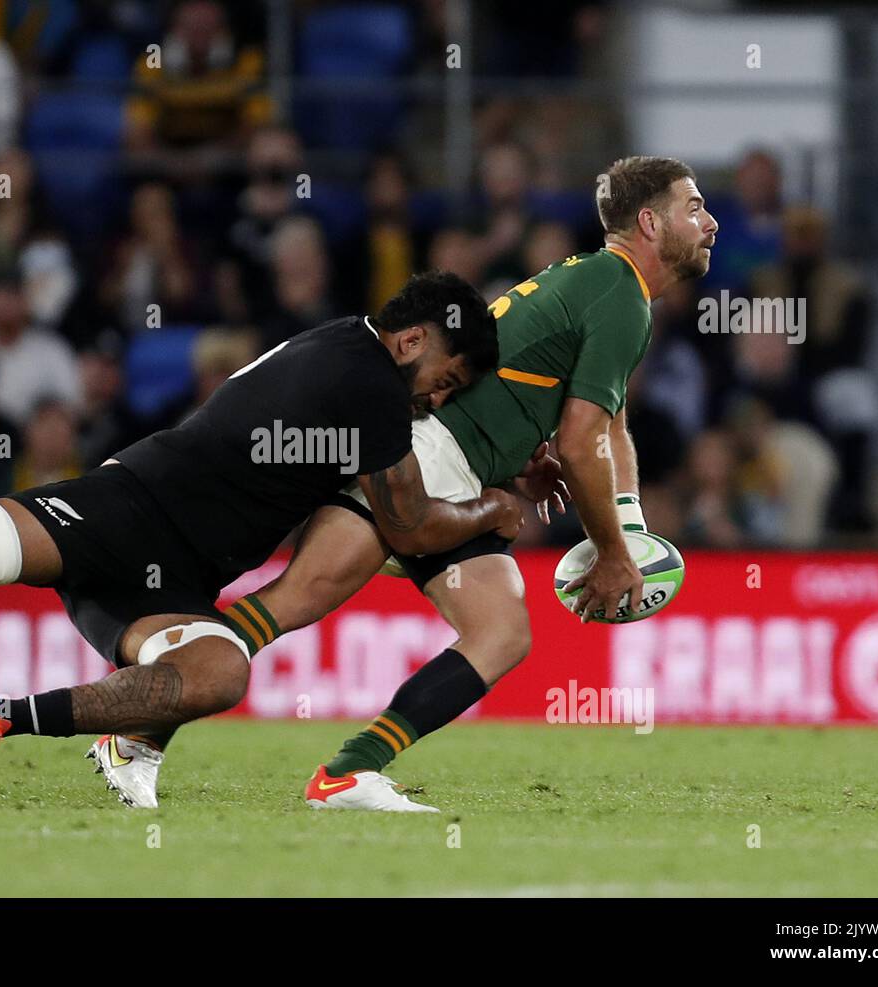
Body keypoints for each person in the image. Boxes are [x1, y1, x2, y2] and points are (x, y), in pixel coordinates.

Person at [0, 272, 514, 808]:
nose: (442, 395)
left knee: (218, 671)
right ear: (413, 340)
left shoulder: (344, 348)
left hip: (176, 578)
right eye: (448, 375)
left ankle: (64, 733)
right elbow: (408, 525)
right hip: (127, 506)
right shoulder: (372, 385)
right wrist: (493, 512)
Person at [88, 156, 720, 812]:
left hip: (459, 466)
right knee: (291, 600)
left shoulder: (605, 286)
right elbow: (584, 439)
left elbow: (598, 421)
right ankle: (132, 726)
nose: (710, 221)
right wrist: (615, 554)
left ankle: (348, 771)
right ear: (649, 221)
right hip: (421, 452)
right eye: (695, 207)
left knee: (498, 631)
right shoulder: (618, 293)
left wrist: (621, 516)